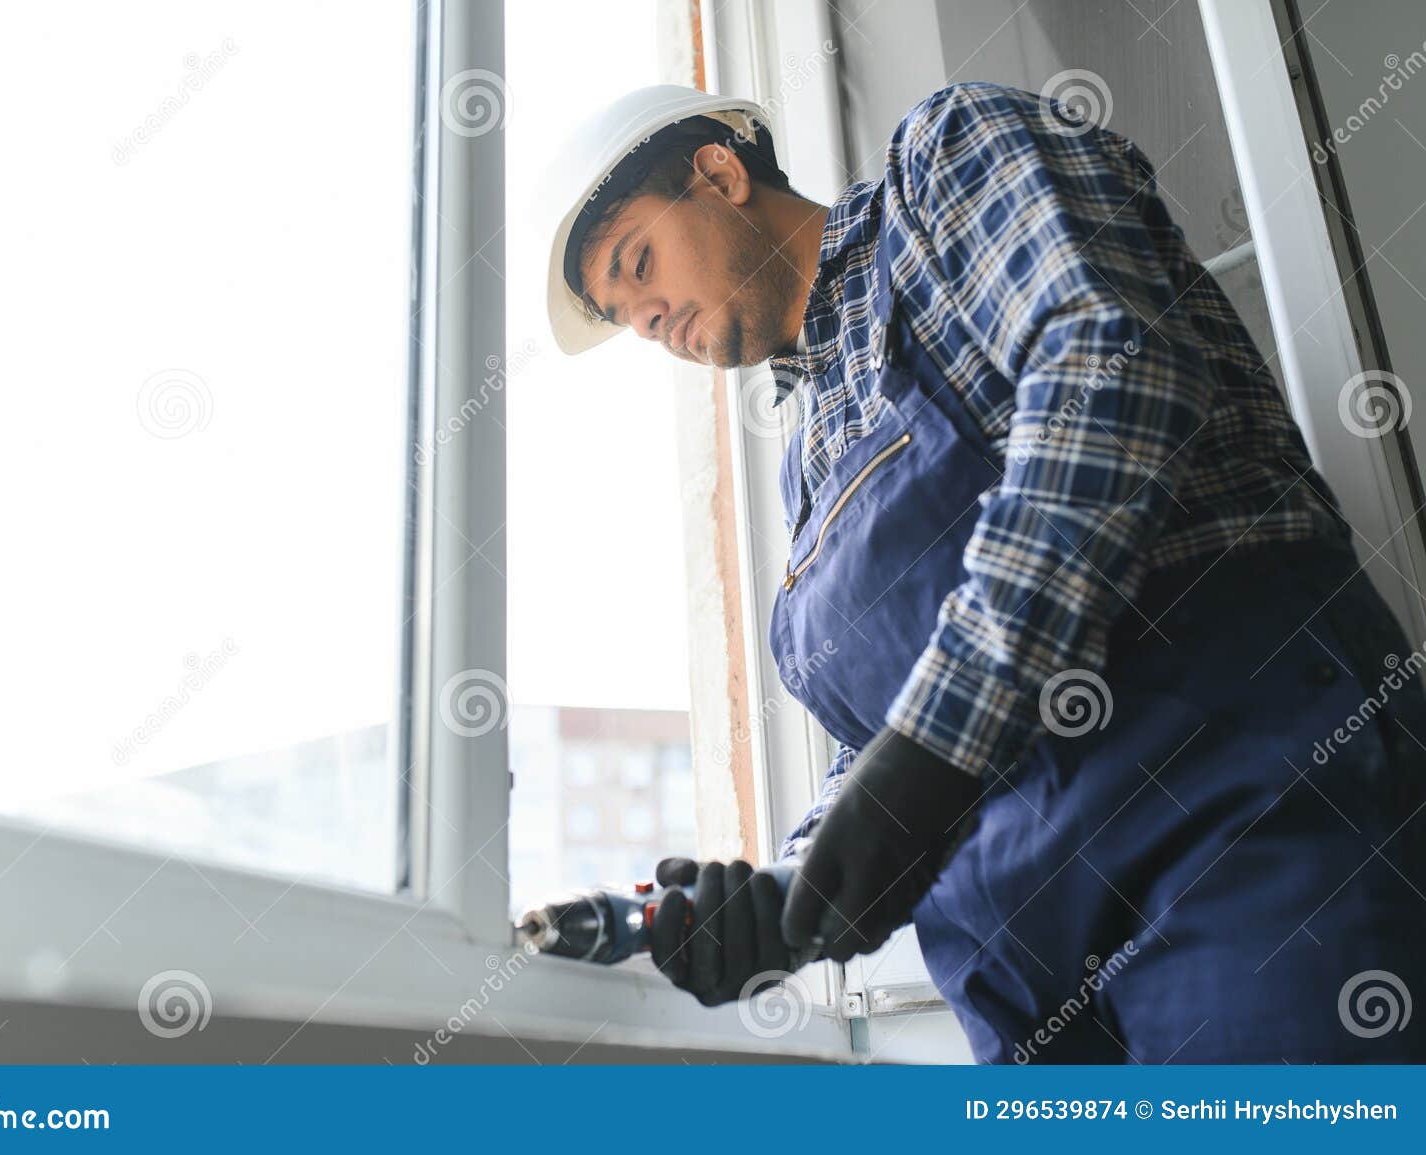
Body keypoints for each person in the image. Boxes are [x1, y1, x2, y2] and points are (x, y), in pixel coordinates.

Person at [542, 82, 1426, 1062]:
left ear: (719, 172)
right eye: (627, 316)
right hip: (1020, 985)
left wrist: (928, 754)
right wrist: (789, 891)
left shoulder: (941, 170)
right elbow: (878, 746)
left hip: (1235, 828)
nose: (652, 319)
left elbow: (1112, 369)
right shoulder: (804, 466)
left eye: (639, 264)